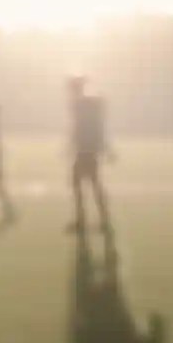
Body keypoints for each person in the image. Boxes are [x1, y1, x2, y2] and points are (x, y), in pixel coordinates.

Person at [67, 75, 112, 234]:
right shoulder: (88, 102)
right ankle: (101, 218)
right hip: (87, 148)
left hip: (85, 149)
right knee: (90, 184)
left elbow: (83, 127)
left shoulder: (81, 103)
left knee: (85, 184)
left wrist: (73, 143)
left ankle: (87, 219)